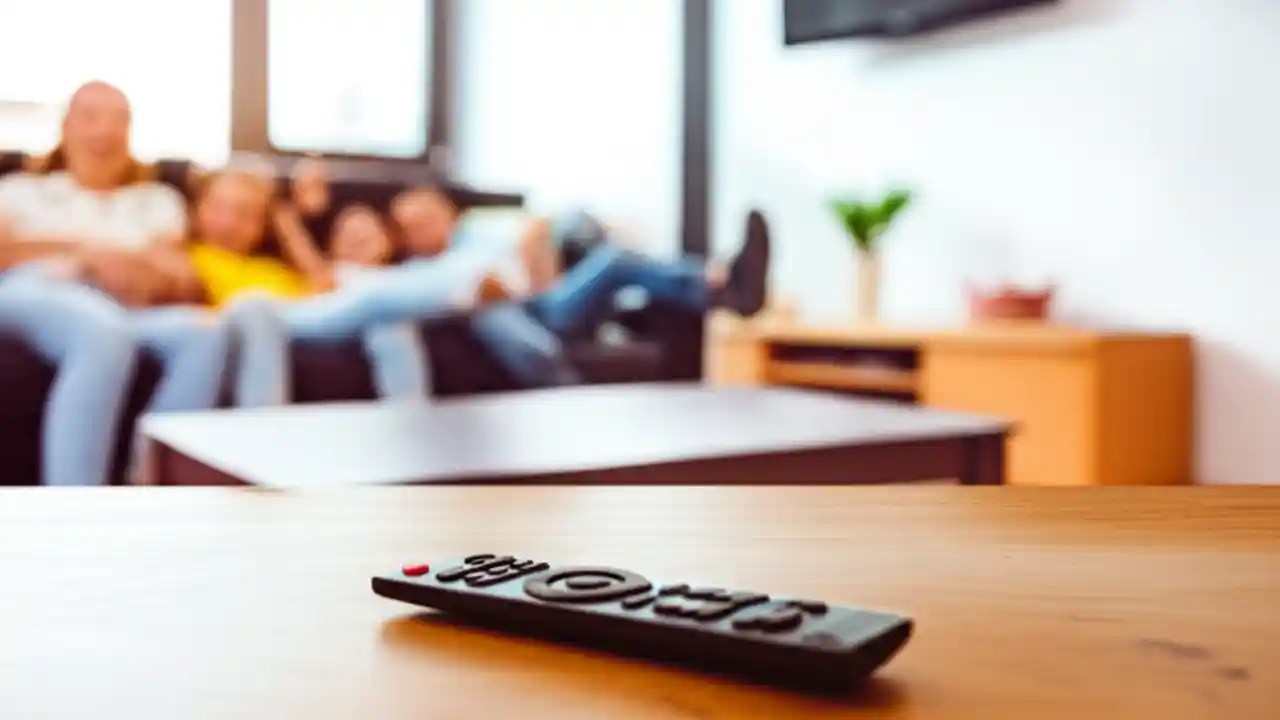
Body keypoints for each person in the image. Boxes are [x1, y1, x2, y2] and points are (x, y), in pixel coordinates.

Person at [0, 81, 229, 486]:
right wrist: (87, 253)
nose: (104, 131)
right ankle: (74, 508)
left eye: (118, 120)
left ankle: (152, 488)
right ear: (65, 127)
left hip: (127, 307)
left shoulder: (157, 200)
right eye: (91, 117)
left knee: (208, 332)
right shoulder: (20, 191)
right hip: (35, 290)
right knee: (104, 332)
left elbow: (186, 282)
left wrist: (144, 270)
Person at [389, 188, 771, 387]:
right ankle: (720, 287)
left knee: (614, 254)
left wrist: (538, 263)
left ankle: (720, 284)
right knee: (615, 260)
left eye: (428, 217)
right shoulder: (428, 271)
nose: (423, 229)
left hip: (547, 296)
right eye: (413, 227)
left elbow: (538, 242)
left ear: (446, 211)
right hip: (535, 318)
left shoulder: (479, 232)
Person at [166, 167, 436, 404]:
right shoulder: (183, 258)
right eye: (218, 207)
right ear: (196, 209)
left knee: (387, 318)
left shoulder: (272, 271)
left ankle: (409, 429)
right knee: (257, 306)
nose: (229, 222)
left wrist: (286, 219)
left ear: (262, 226)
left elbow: (326, 291)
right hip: (243, 320)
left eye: (245, 213)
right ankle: (446, 293)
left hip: (298, 321)